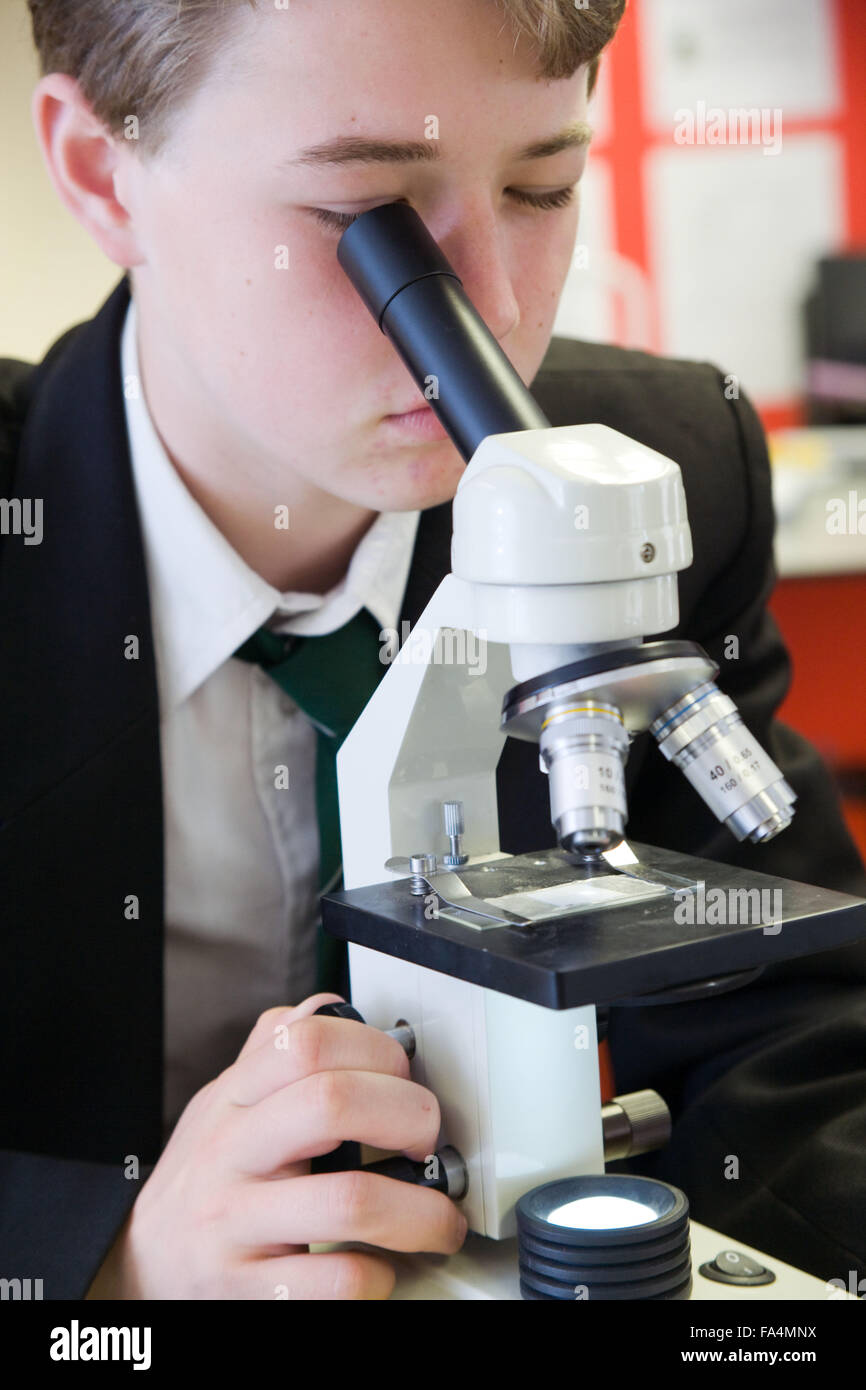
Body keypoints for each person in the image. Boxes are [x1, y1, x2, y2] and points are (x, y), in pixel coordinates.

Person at [1, 0, 864, 1301]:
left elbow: (790, 1041)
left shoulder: (663, 463)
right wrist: (115, 1261)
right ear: (99, 170)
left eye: (541, 184)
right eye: (366, 222)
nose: (496, 309)